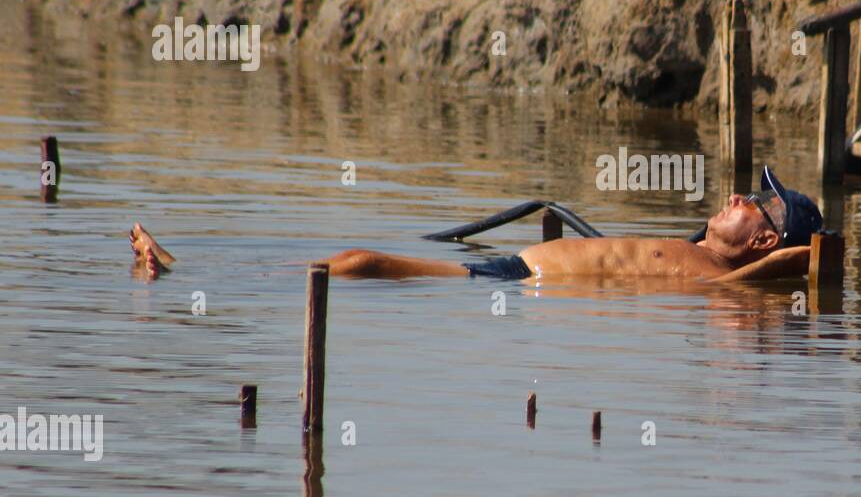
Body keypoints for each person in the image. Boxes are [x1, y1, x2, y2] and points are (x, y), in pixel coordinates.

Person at [129, 167, 825, 284]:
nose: (735, 196)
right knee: (355, 258)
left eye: (751, 205)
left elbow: (745, 287)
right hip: (519, 272)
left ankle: (193, 272)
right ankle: (207, 271)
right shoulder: (695, 257)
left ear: (765, 239)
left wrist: (782, 268)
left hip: (513, 279)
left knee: (364, 262)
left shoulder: (715, 283)